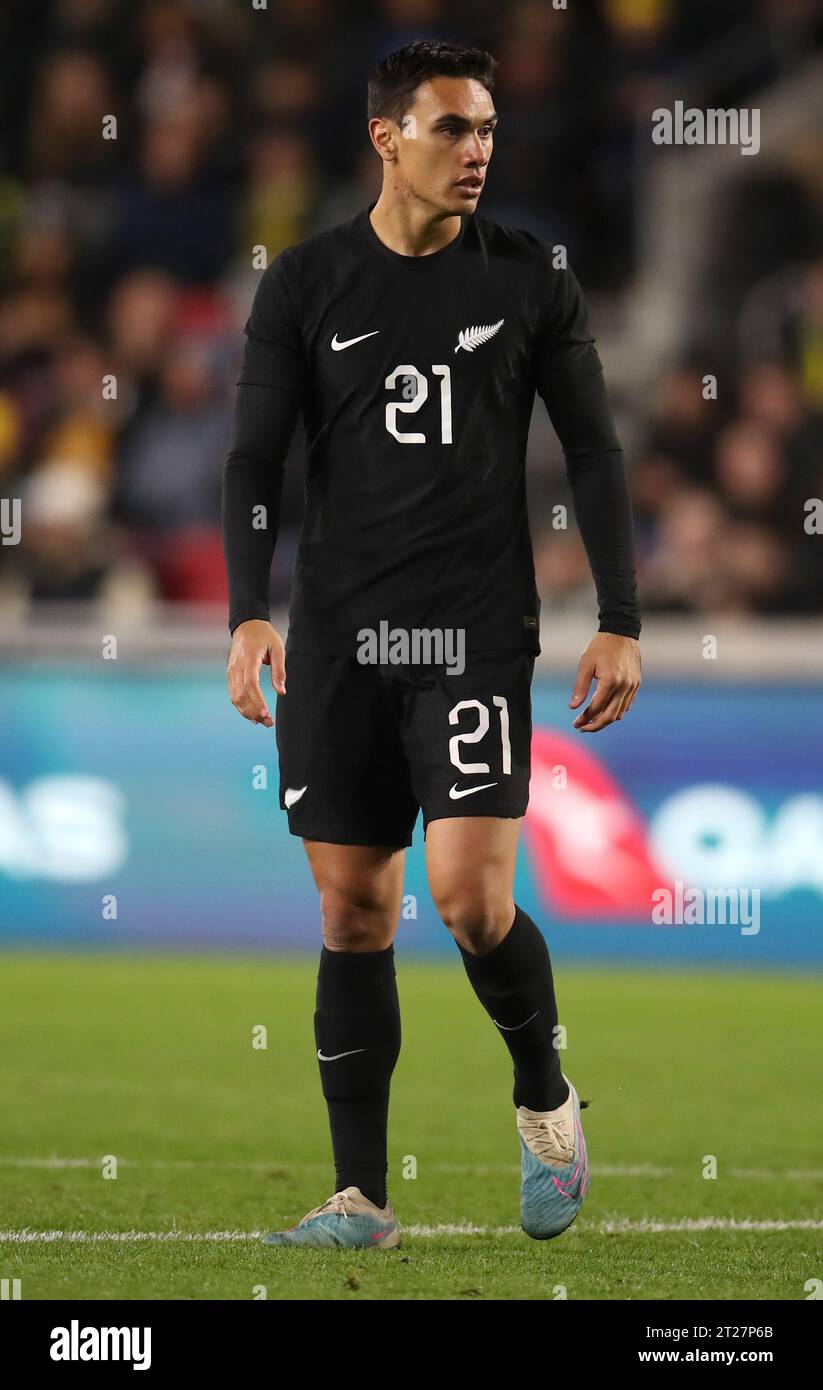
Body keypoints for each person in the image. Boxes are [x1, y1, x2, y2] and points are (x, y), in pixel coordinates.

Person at [222, 39, 641, 1250]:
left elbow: (599, 454)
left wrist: (618, 616)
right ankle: (362, 1197)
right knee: (352, 910)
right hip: (341, 640)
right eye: (452, 128)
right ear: (385, 137)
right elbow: (254, 458)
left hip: (471, 635)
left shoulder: (529, 282)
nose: (477, 151)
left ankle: (545, 1099)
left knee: (467, 900)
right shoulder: (305, 283)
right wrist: (249, 605)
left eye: (488, 130)